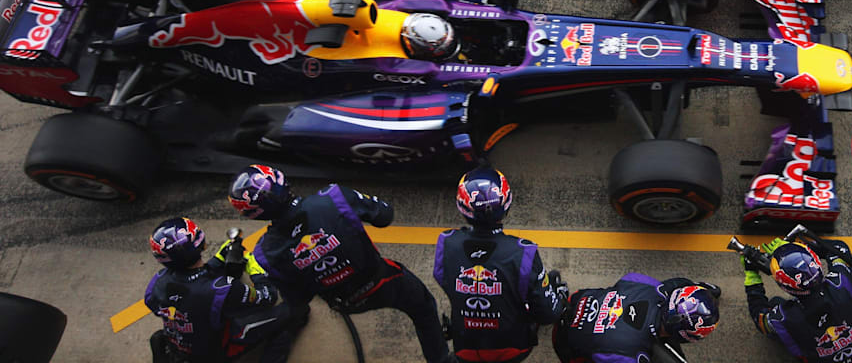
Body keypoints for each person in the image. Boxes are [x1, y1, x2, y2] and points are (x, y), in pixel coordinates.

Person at [229, 164, 453, 363]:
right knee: (423, 307)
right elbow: (385, 216)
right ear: (281, 181)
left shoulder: (264, 253)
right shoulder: (333, 197)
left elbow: (298, 299)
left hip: (345, 302)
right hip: (384, 281)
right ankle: (440, 359)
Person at [433, 167, 567, 362]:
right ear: (506, 206)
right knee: (552, 284)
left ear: (462, 209)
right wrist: (560, 297)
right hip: (513, 349)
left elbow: (442, 278)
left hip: (465, 348)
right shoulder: (523, 252)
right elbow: (548, 314)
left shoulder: (446, 243)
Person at [144, 217, 300, 363]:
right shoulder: (223, 290)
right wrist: (256, 271)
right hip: (216, 352)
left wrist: (219, 258)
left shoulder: (156, 283)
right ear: (202, 243)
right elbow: (267, 297)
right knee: (295, 311)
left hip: (180, 347)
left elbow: (191, 281)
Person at [742, 236, 852, 362]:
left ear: (785, 287)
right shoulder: (841, 283)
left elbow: (760, 319)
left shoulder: (782, 317)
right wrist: (801, 246)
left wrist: (752, 276)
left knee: (774, 302)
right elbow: (839, 248)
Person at [552, 274, 718, 362]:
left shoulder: (641, 282)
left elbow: (677, 283)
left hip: (575, 299)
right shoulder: (628, 356)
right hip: (565, 342)